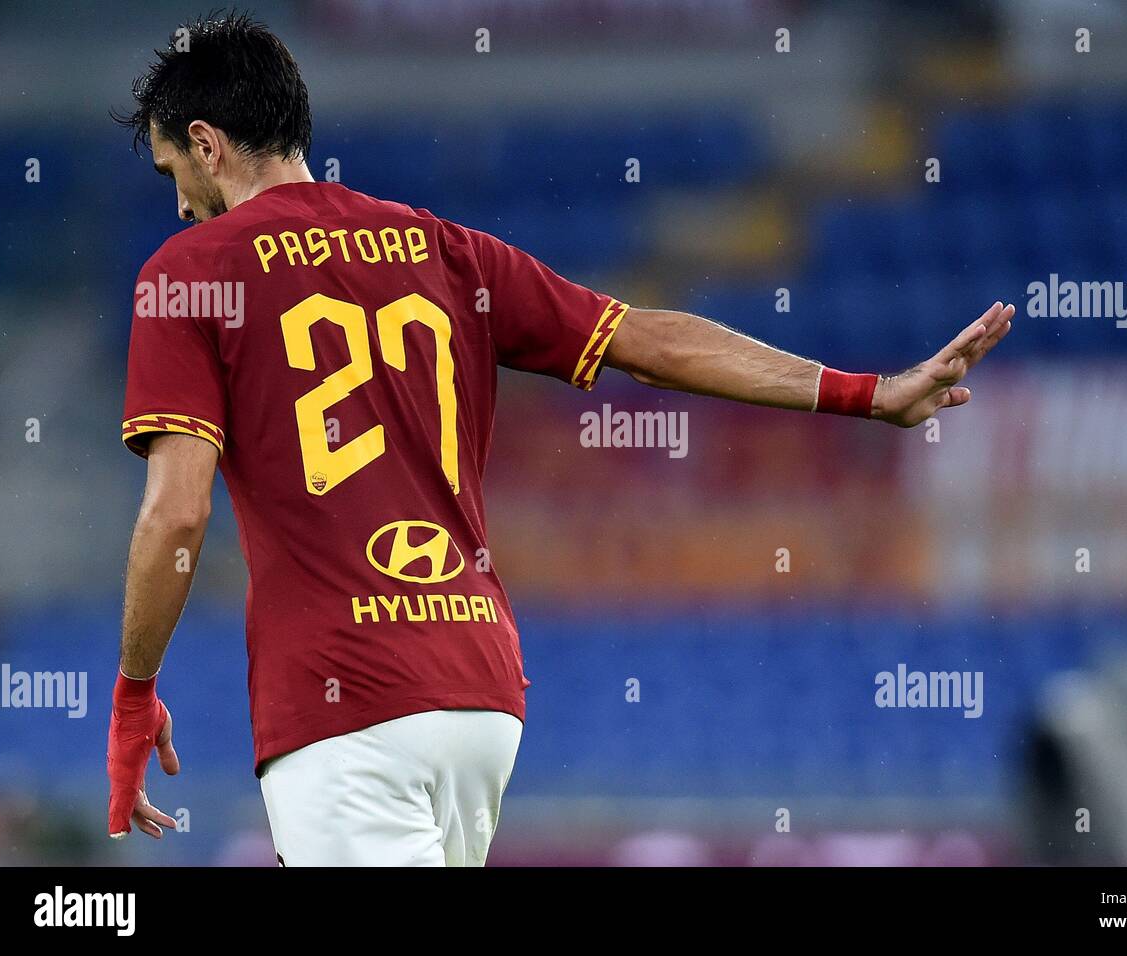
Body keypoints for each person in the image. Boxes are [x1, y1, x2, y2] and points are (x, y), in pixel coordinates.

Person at [107, 13, 1013, 866]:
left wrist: (134, 694)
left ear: (206, 144)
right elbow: (650, 343)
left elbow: (179, 518)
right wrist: (866, 392)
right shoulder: (446, 249)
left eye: (168, 172)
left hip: (341, 699)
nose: (178, 204)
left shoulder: (188, 275)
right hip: (478, 686)